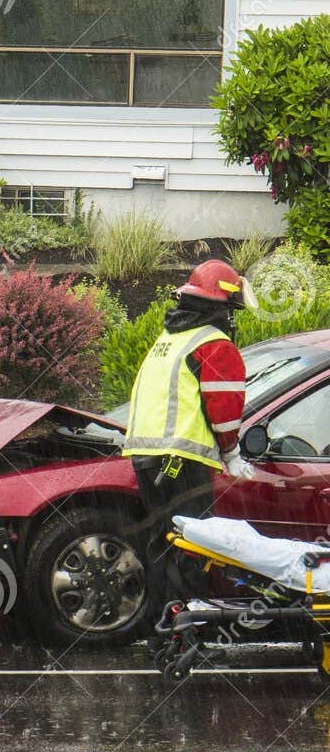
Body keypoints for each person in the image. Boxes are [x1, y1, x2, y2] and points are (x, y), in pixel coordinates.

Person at [122, 258, 256, 606]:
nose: (231, 318)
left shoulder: (167, 341)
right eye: (231, 309)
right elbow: (224, 412)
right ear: (221, 305)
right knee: (191, 543)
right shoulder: (214, 344)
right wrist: (231, 454)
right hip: (183, 460)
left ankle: (163, 623)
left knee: (162, 541)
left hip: (147, 457)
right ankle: (190, 625)